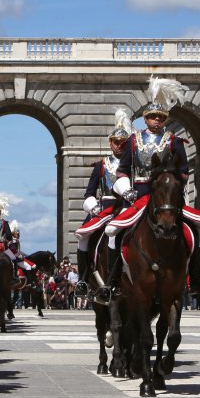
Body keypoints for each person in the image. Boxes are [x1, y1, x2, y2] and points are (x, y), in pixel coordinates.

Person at [97, 77, 200, 305]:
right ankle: (111, 282)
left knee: (199, 228)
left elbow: (182, 170)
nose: (156, 120)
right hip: (139, 196)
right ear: (145, 119)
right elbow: (122, 171)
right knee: (112, 230)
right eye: (152, 117)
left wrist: (174, 183)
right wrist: (126, 191)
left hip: (167, 197)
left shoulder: (174, 141)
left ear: (165, 119)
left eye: (160, 117)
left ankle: (197, 280)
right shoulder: (133, 141)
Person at [73, 108, 132, 282]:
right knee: (82, 238)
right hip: (105, 208)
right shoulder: (101, 166)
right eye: (116, 142)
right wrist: (94, 206)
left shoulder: (135, 165)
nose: (119, 145)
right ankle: (83, 279)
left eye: (123, 142)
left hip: (128, 207)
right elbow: (89, 193)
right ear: (110, 143)